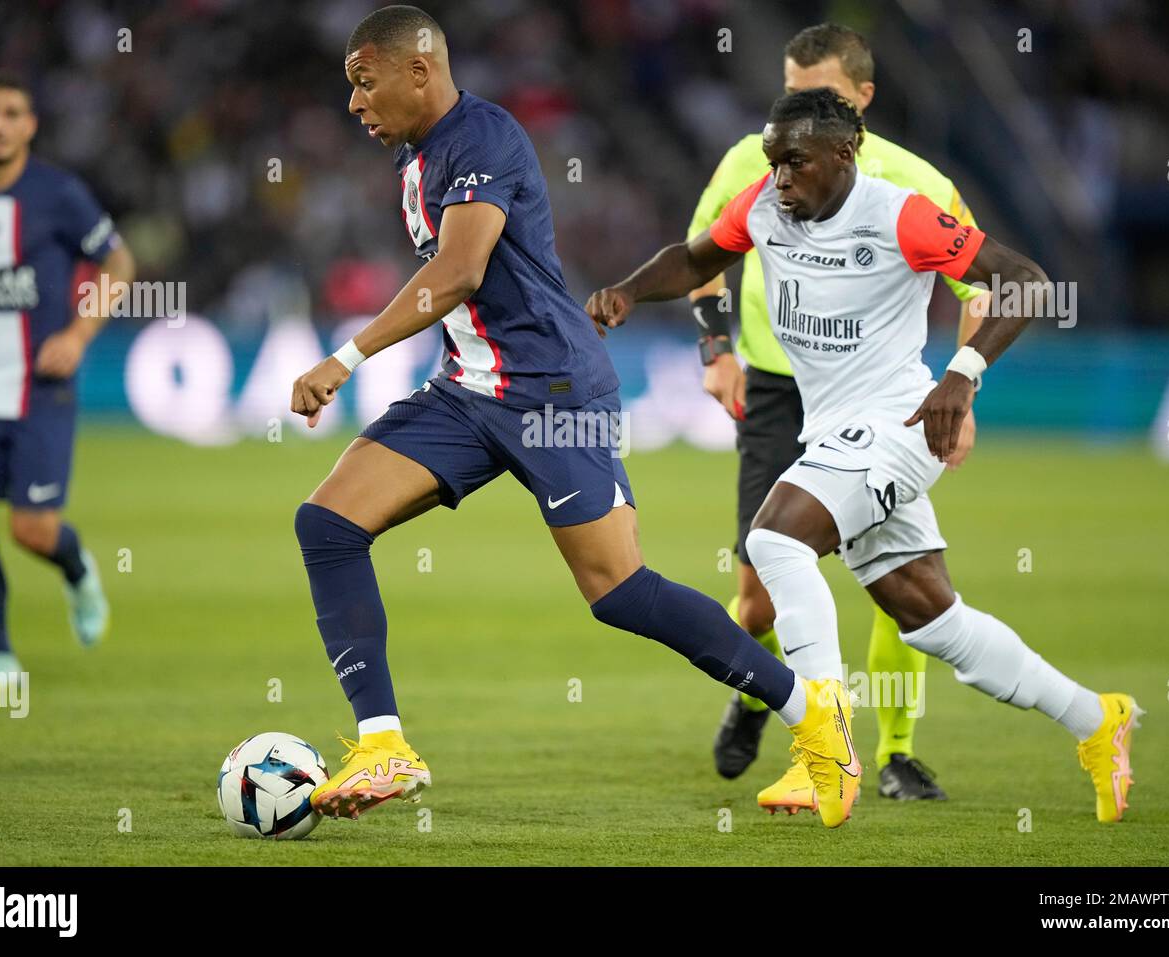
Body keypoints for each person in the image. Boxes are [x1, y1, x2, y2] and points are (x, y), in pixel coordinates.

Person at [288, 5, 831, 822]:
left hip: (553, 391)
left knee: (618, 589)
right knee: (326, 523)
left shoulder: (485, 138)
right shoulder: (417, 156)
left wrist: (346, 356)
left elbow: (462, 270)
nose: (356, 104)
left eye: (365, 84)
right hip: (468, 391)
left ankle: (816, 721)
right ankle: (383, 746)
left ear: (420, 70)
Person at [586, 89, 1140, 827]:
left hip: (901, 422)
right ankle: (1097, 719)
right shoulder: (763, 207)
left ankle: (826, 748)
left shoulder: (899, 214)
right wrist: (628, 290)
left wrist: (963, 374)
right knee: (935, 621)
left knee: (775, 537)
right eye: (774, 163)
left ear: (846, 153)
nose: (782, 179)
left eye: (797, 164)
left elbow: (1026, 280)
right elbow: (693, 259)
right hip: (836, 433)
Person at [689, 23, 989, 807]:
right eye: (788, 89)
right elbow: (698, 261)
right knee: (757, 589)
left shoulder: (915, 181)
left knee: (899, 580)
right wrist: (714, 349)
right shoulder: (751, 160)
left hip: (883, 400)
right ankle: (759, 693)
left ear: (861, 100)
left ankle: (896, 751)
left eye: (815, 92)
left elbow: (981, 286)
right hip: (775, 390)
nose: (794, 108)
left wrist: (963, 388)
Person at [0, 70, 134, 680]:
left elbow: (118, 262)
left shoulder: (59, 195)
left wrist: (77, 333)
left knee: (32, 530)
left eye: (12, 113)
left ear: (30, 125)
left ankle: (77, 572)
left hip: (41, 391)